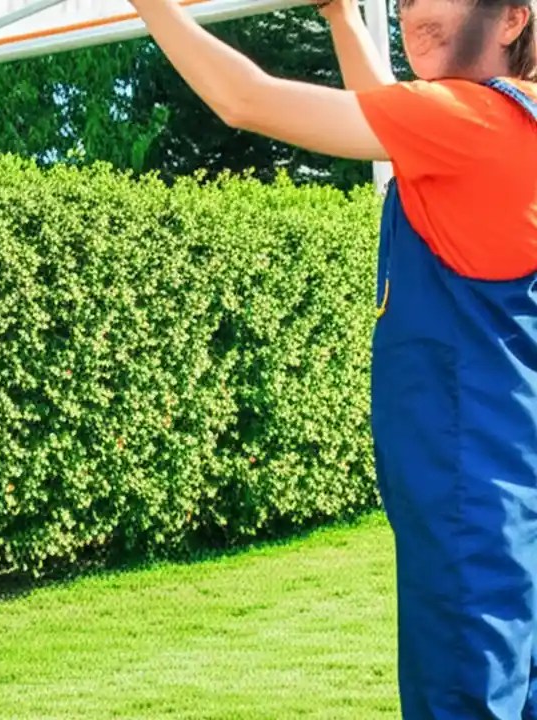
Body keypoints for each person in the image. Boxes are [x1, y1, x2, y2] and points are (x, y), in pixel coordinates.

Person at [124, 0, 537, 716]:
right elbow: (384, 120)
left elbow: (242, 100)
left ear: (511, 20)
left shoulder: (470, 121)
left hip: (470, 507)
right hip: (506, 499)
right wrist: (344, 17)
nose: (410, 9)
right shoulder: (503, 128)